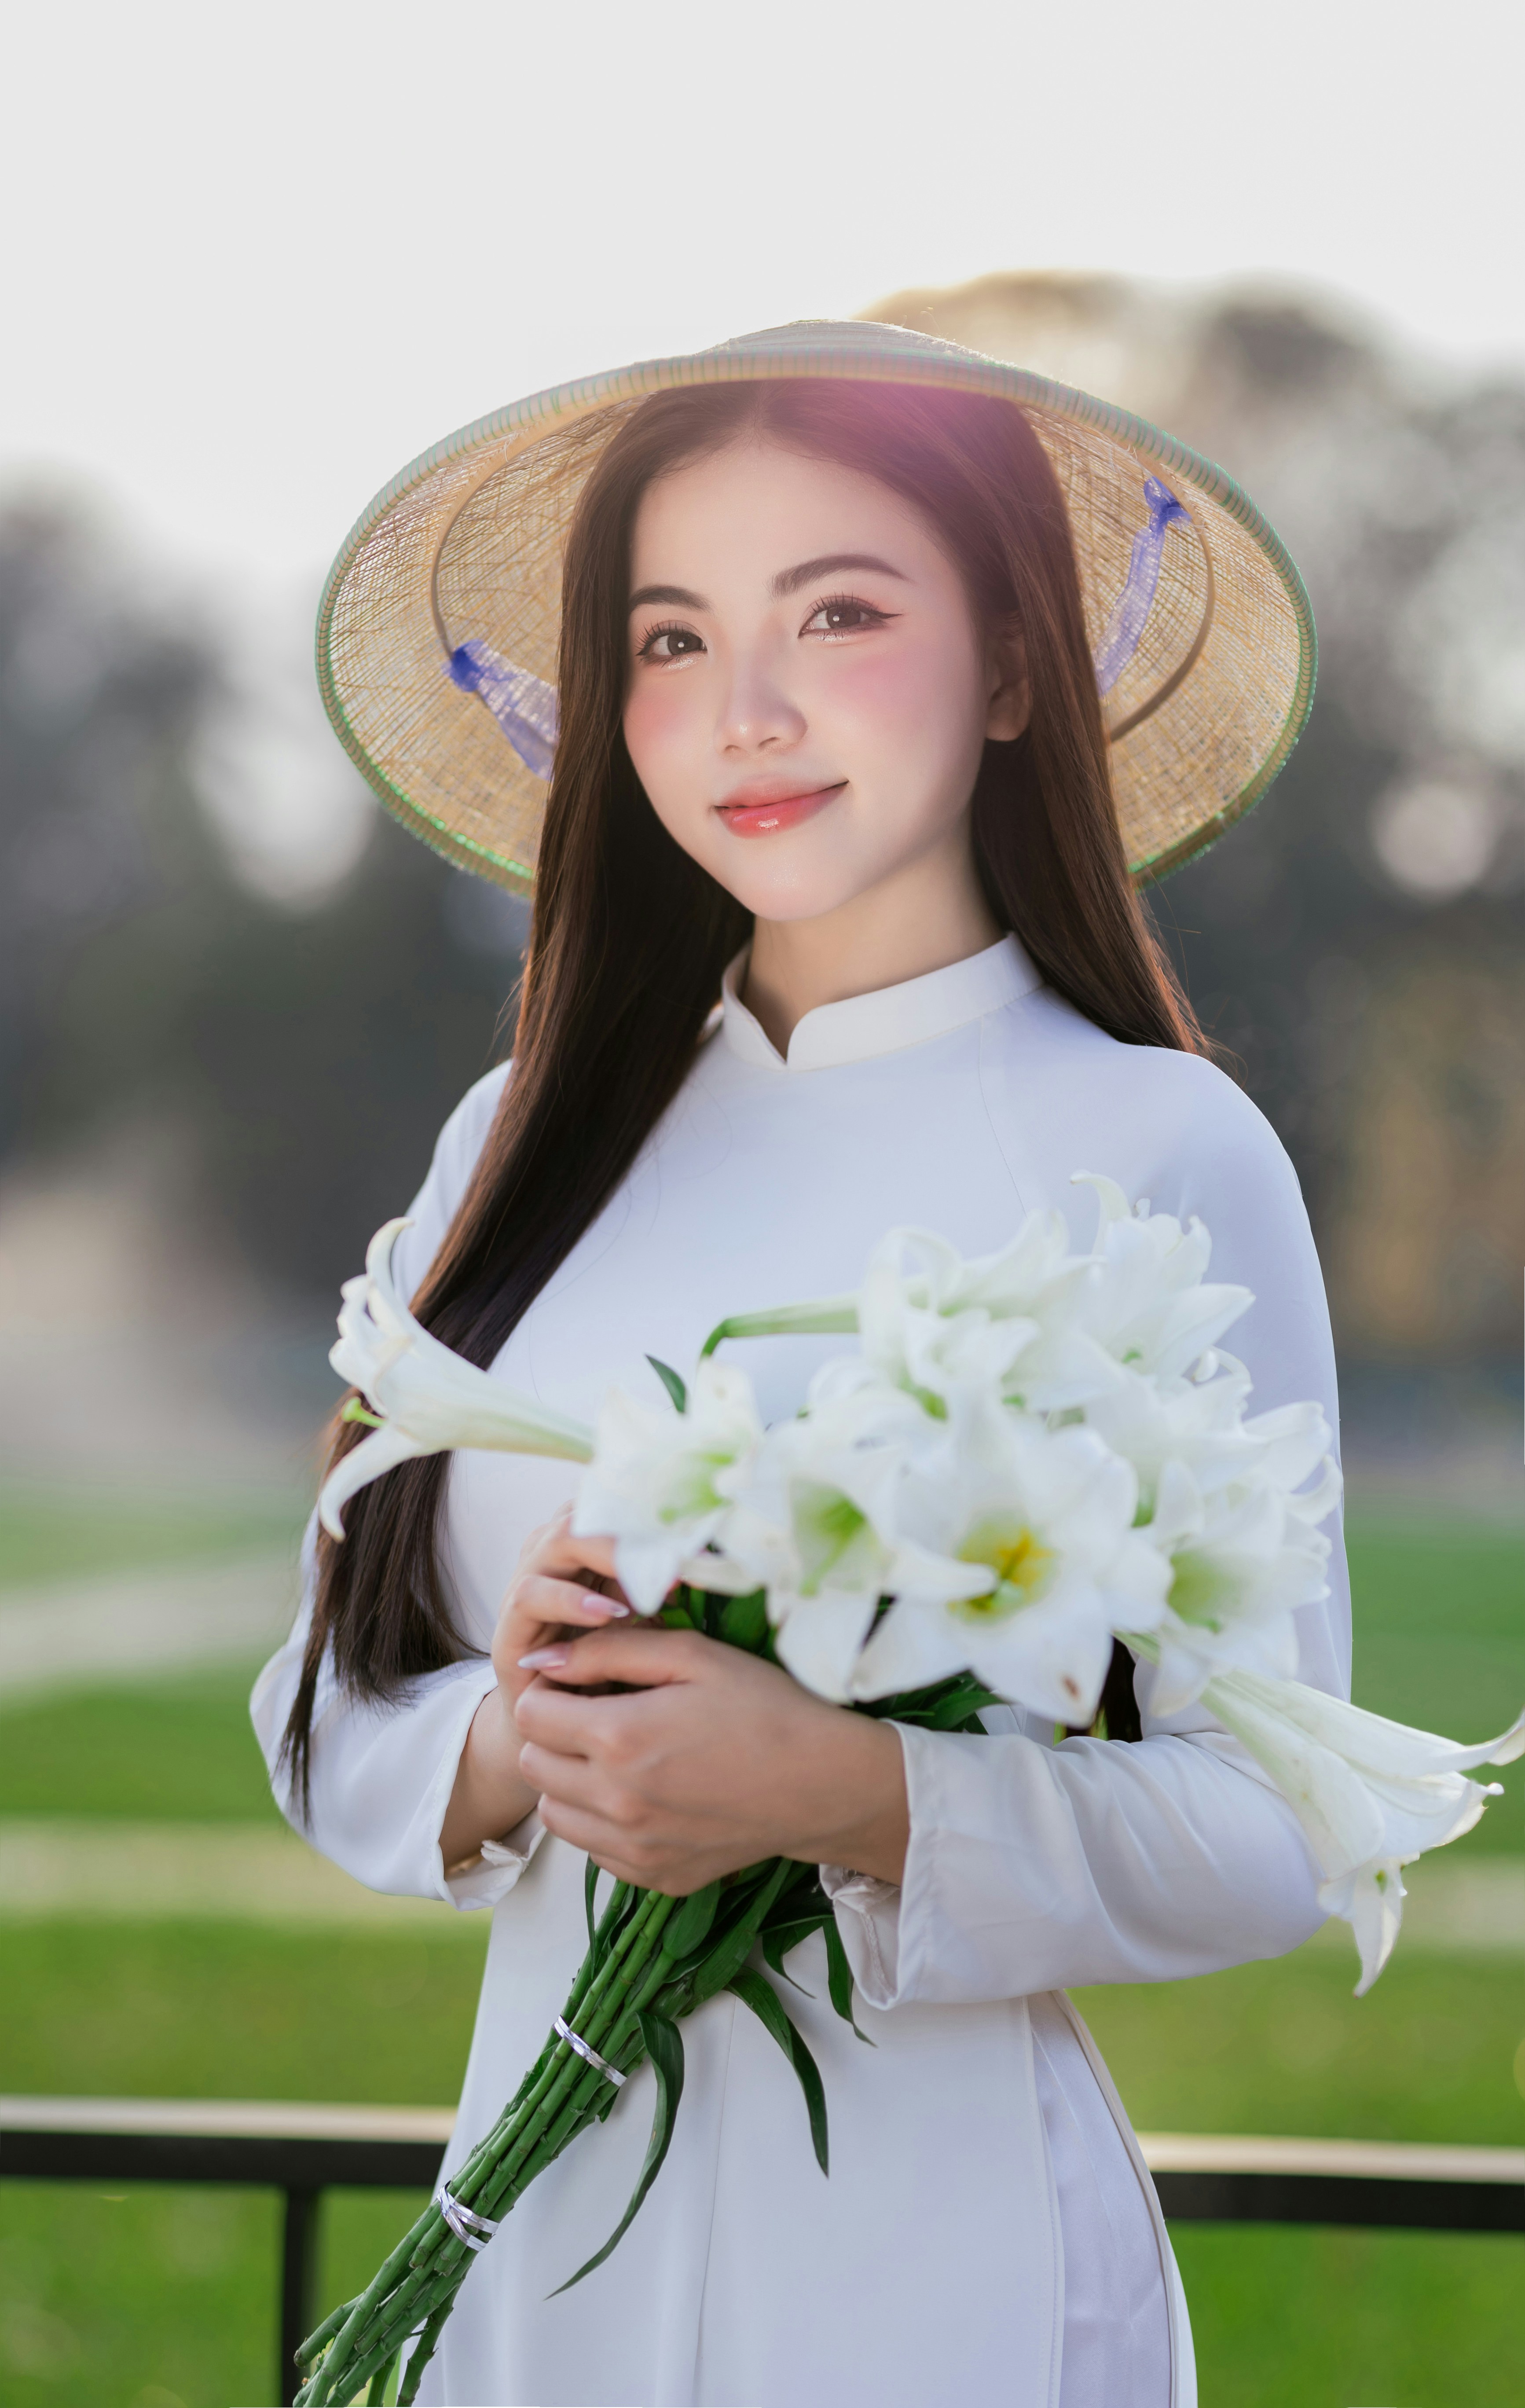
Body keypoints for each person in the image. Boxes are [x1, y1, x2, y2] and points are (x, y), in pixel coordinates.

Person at [253, 322, 1344, 2408]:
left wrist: (848, 1789)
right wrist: (524, 1737)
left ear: (1016, 664)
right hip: (539, 2254)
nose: (740, 711)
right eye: (668, 640)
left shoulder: (1159, 1152)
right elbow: (323, 1707)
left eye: (837, 611)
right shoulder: (518, 1140)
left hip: (945, 2284)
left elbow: (1276, 1829)